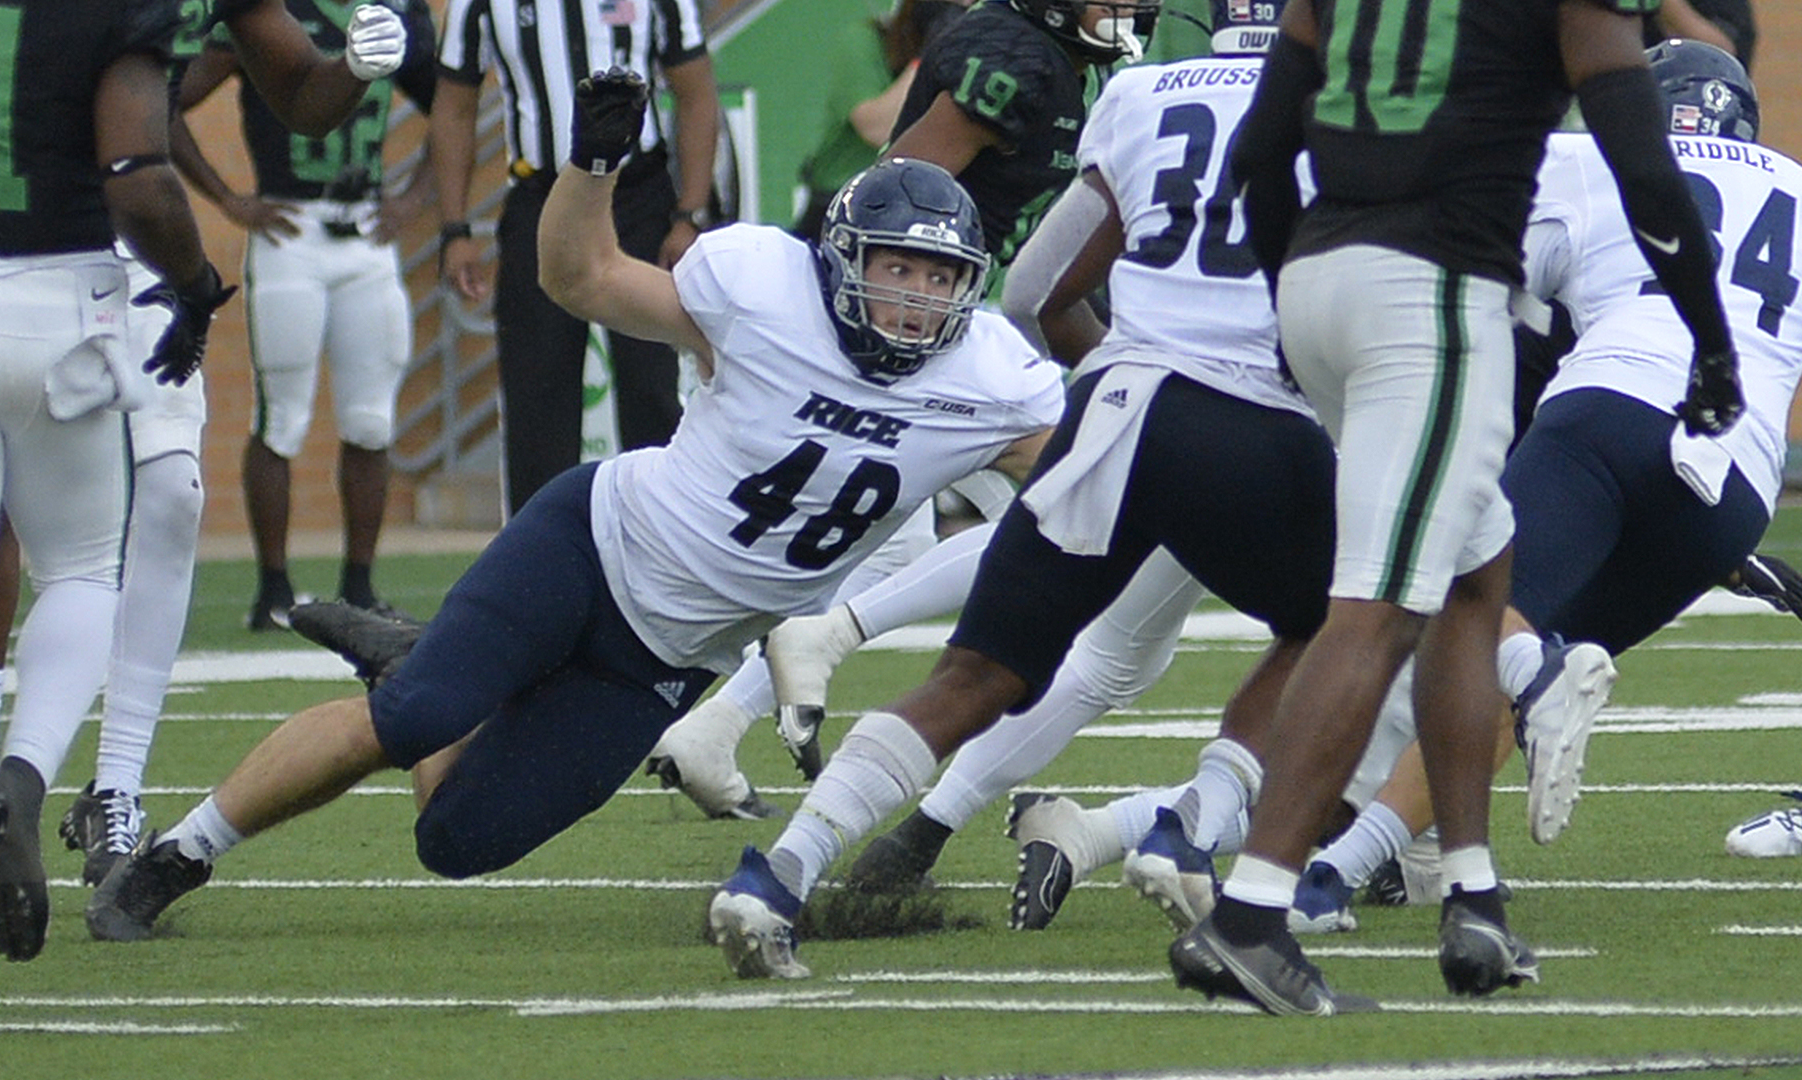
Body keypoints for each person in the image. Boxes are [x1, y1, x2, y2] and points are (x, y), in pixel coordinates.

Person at [79, 89, 1063, 942]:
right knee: (415, 716)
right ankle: (178, 854)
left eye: (941, 277)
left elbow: (1089, 474)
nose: (918, 298)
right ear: (846, 258)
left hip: (670, 658)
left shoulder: (989, 383)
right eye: (898, 268)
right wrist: (592, 165)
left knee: (458, 840)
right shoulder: (767, 293)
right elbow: (577, 279)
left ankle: (409, 655)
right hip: (592, 544)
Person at [705, 0, 1342, 982]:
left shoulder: (1140, 93)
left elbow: (1037, 290)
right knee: (1346, 626)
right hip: (1258, 416)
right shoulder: (1342, 105)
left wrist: (1132, 371)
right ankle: (1192, 827)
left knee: (971, 678)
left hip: (1120, 406)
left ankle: (778, 874)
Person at [1175, 0, 1742, 1016]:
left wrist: (1296, 294)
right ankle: (1250, 915)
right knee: (1382, 606)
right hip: (1434, 294)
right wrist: (1708, 338)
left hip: (1319, 274)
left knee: (1477, 583)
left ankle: (1473, 896)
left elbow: (1259, 155)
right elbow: (1647, 174)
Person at [1290, 38, 1802, 924]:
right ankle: (1335, 873)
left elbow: (1486, 288)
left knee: (1472, 631)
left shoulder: (1589, 160)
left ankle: (1537, 676)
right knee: (1489, 663)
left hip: (1610, 410)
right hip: (1736, 483)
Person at [0, 0, 412, 888]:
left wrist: (353, 68)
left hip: (138, 251)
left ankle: (117, 788)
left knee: (173, 493)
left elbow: (299, 97)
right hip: (28, 238)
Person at [0, 0, 233, 1029]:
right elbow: (136, 173)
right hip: (59, 305)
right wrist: (196, 285)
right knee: (81, 572)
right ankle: (25, 780)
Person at [172, 0, 439, 630]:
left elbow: (453, 107)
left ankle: (359, 587)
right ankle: (273, 588)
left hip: (366, 232)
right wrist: (228, 199)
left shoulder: (397, 8)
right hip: (290, 229)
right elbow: (166, 102)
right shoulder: (268, 10)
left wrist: (414, 199)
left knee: (370, 419)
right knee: (283, 419)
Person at [430, 0, 720, 516]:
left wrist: (688, 214)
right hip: (542, 199)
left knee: (653, 389)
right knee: (537, 395)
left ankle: (664, 538)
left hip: (637, 197)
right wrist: (454, 229)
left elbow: (695, 91)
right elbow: (454, 106)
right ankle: (541, 551)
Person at [884, 0, 1158, 268]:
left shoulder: (1080, 61)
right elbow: (896, 190)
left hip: (996, 273)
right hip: (935, 271)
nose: (1125, 5)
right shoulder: (1010, 58)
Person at [792, 0, 970, 240]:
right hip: (847, 203)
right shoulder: (868, 40)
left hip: (929, 206)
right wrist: (927, 57)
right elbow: (878, 129)